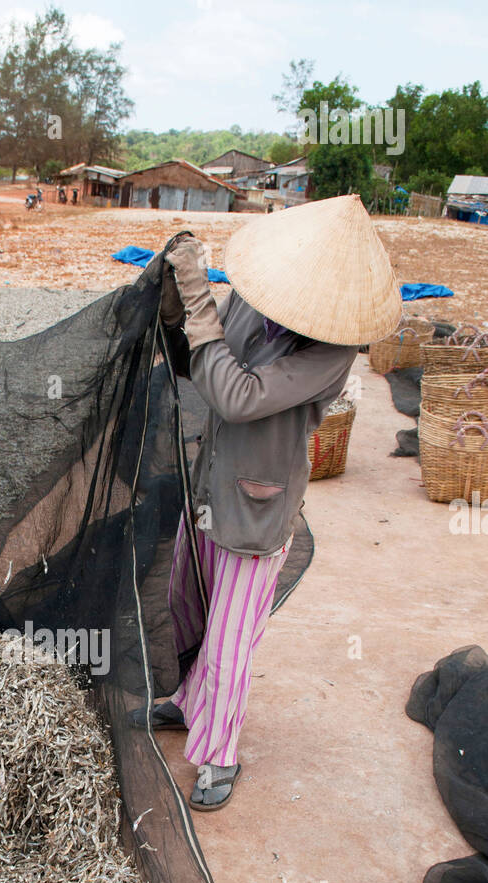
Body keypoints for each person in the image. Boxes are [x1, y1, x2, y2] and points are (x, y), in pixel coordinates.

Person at [152, 194, 401, 810]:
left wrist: (199, 300)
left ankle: (219, 754)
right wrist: (173, 307)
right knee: (186, 599)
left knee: (231, 639)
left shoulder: (330, 352)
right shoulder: (250, 303)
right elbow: (200, 368)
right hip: (210, 481)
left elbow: (236, 395)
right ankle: (188, 702)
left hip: (258, 504)